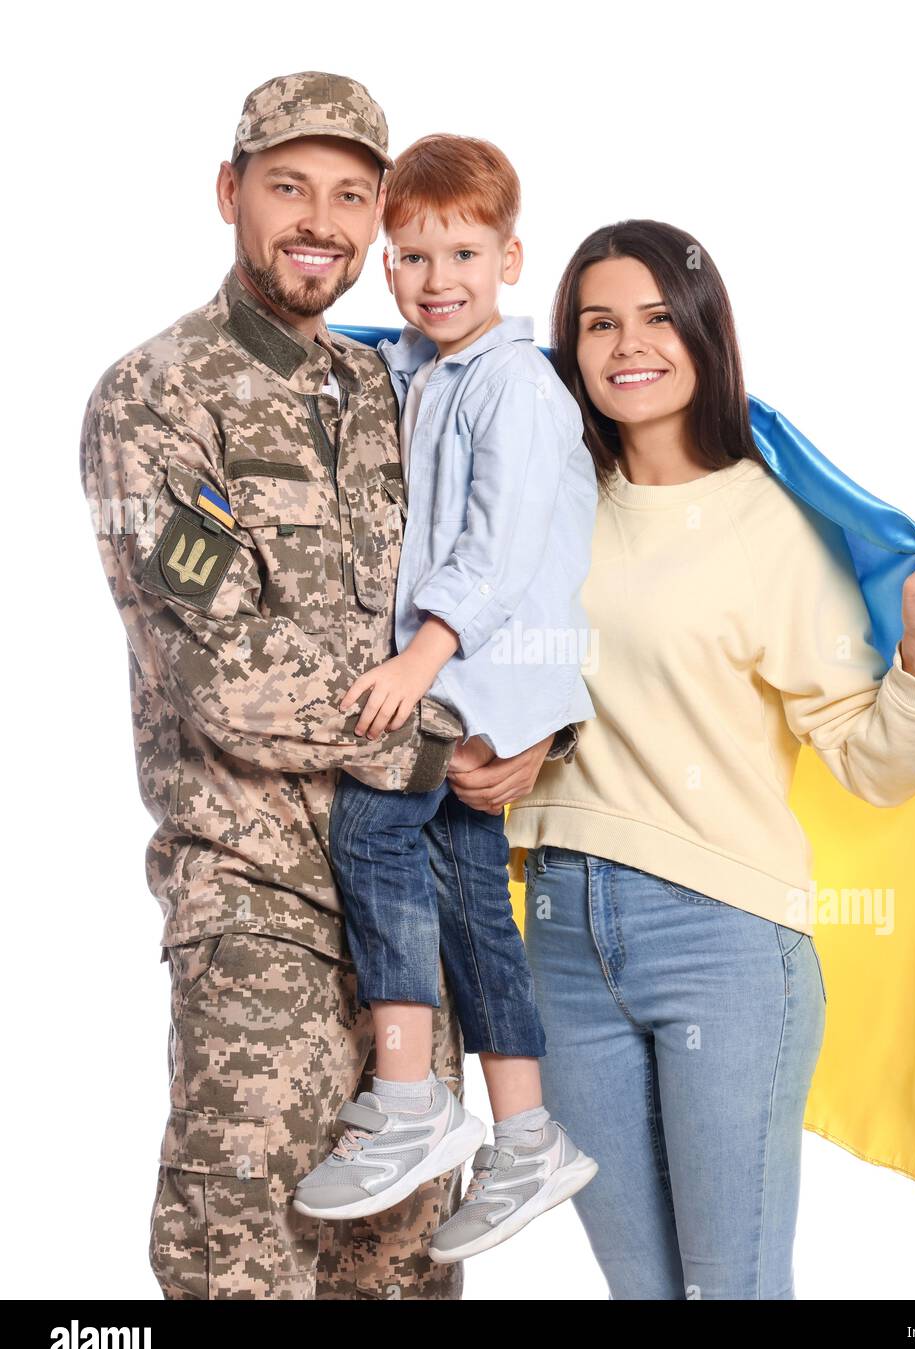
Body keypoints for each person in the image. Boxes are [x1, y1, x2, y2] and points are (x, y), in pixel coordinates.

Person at [449, 219, 915, 1299]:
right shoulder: (541, 503)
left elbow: (871, 765)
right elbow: (506, 669)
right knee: (641, 1293)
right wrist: (491, 754)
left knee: (730, 1290)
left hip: (721, 941)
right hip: (554, 933)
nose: (626, 344)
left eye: (656, 317)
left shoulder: (766, 522)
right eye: (597, 322)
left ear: (703, 334)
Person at [79, 71, 477, 1301]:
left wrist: (532, 724)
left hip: (408, 902)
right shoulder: (156, 398)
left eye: (352, 195)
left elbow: (482, 580)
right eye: (288, 185)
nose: (320, 219)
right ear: (228, 194)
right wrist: (443, 743)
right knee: (241, 1255)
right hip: (256, 899)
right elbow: (219, 673)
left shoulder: (389, 393)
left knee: (407, 1261)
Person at [293, 135, 600, 1263]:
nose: (438, 280)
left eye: (464, 253)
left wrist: (420, 659)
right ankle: (525, 1132)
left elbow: (498, 546)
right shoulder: (430, 374)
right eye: (413, 257)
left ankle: (411, 1094)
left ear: (512, 256)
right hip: (477, 663)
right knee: (473, 895)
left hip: (483, 660)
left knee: (372, 824)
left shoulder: (516, 383)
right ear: (387, 269)